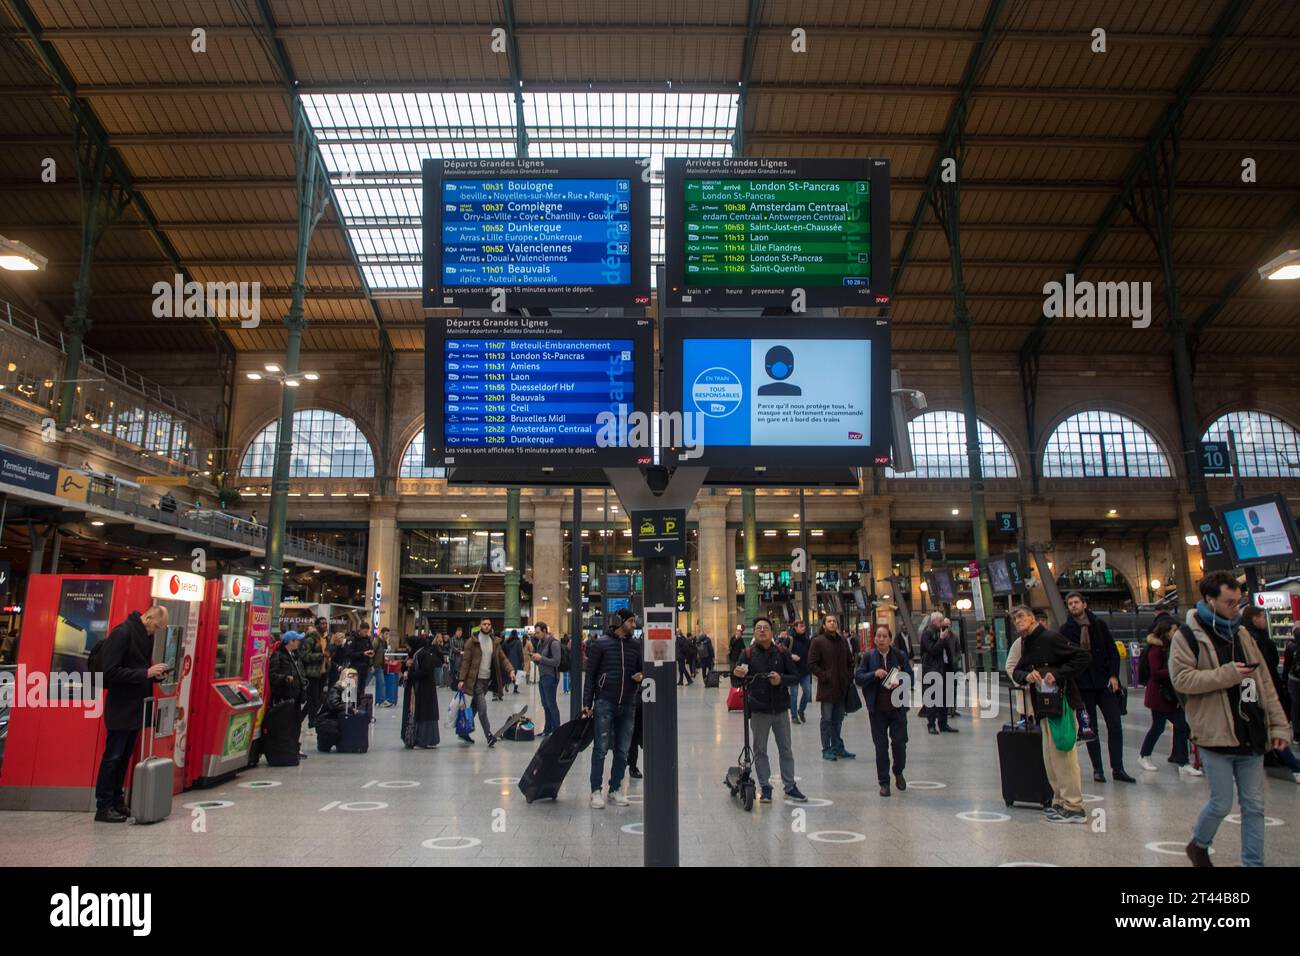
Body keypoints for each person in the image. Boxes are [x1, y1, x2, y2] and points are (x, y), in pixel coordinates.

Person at [1173, 571, 1291, 866]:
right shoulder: (1187, 636)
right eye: (1229, 602)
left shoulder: (1242, 634)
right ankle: (1199, 844)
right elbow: (1182, 680)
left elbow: (1265, 683)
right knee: (1221, 803)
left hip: (1250, 732)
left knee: (1254, 806)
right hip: (1215, 735)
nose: (1235, 608)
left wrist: (1278, 725)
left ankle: (1254, 864)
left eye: (1238, 602)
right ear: (1209, 600)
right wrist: (1227, 675)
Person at [1007, 604, 1091, 823]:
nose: (1019, 621)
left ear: (1033, 618)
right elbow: (1017, 670)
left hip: (1061, 703)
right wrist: (1027, 676)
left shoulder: (1050, 638)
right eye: (1015, 619)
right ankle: (1060, 800)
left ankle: (1074, 805)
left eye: (1022, 616)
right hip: (1042, 704)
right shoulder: (1027, 642)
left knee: (1063, 752)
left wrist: (1058, 674)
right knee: (1050, 755)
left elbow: (1082, 657)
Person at [94, 605, 171, 822]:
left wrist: (155, 675)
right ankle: (104, 805)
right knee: (113, 757)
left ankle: (117, 801)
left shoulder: (145, 636)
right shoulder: (123, 633)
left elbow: (140, 668)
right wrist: (145, 672)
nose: (155, 632)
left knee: (124, 757)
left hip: (137, 706)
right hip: (120, 706)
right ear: (148, 617)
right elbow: (110, 671)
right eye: (155, 627)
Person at [733, 617, 808, 803]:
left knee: (786, 749)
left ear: (771, 632)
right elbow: (737, 681)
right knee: (760, 750)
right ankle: (765, 787)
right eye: (758, 628)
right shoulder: (748, 654)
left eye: (765, 628)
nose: (762, 631)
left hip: (780, 709)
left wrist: (781, 679)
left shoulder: (782, 653)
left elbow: (795, 677)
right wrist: (737, 674)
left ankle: (790, 786)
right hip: (759, 709)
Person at [1060, 592, 1132, 783]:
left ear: (1084, 604)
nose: (1073, 606)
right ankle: (1097, 769)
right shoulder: (1065, 630)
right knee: (1089, 728)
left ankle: (1118, 767)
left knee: (1115, 725)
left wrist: (1114, 675)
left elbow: (1113, 652)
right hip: (1082, 687)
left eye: (1076, 602)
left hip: (1104, 684)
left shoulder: (1099, 625)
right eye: (1070, 603)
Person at [582, 607, 643, 808]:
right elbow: (590, 675)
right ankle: (595, 791)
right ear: (620, 622)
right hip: (605, 702)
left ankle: (615, 788)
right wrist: (586, 703)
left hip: (627, 702)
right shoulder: (601, 645)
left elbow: (641, 669)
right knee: (600, 748)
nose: (634, 626)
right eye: (631, 622)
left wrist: (640, 676)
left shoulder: (635, 646)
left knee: (622, 750)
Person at [1242, 607, 1300, 781]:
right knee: (1267, 724)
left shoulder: (1251, 636)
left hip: (1256, 688)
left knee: (1267, 725)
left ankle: (1276, 758)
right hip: (1257, 688)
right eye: (1260, 617)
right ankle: (1294, 765)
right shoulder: (1252, 638)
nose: (1263, 620)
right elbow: (1263, 666)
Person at [1137, 619, 1199, 776]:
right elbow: (1155, 672)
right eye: (1173, 630)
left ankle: (1183, 762)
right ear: (1165, 632)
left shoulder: (1172, 647)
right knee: (1158, 726)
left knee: (1181, 726)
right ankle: (1144, 755)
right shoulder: (1156, 649)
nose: (1176, 633)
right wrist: (1175, 670)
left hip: (1172, 694)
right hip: (1159, 695)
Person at [855, 623, 910, 796]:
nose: (880, 639)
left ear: (890, 639)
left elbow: (910, 677)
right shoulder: (868, 657)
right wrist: (873, 674)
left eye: (884, 636)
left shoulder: (900, 656)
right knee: (881, 747)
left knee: (900, 744)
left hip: (897, 709)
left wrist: (900, 681)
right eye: (878, 636)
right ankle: (884, 782)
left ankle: (898, 770)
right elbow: (858, 678)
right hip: (877, 710)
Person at [456, 617, 513, 746]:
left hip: (486, 680)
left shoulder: (495, 642)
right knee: (482, 708)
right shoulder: (472, 642)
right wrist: (461, 679)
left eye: (489, 624)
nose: (487, 626)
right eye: (484, 624)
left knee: (475, 707)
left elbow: (503, 659)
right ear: (480, 626)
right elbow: (466, 662)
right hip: (475, 681)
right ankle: (488, 735)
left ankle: (463, 731)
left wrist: (511, 670)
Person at [808, 613, 855, 761]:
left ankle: (837, 747)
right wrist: (825, 676)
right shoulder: (818, 642)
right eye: (829, 621)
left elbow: (850, 660)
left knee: (838, 719)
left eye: (834, 621)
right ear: (824, 625)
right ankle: (826, 749)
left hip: (841, 688)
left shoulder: (842, 641)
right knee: (827, 720)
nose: (833, 623)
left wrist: (848, 676)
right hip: (827, 688)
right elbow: (812, 664)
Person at [266, 630, 308, 763]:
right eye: (297, 640)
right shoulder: (278, 655)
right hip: (284, 697)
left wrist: (303, 681)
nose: (299, 642)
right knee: (287, 724)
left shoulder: (295, 655)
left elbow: (300, 671)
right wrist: (285, 678)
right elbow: (272, 675)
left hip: (296, 696)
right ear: (290, 642)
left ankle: (295, 747)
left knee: (296, 723)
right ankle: (286, 748)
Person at [400, 633, 440, 749]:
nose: (407, 647)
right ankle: (413, 737)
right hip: (417, 690)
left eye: (408, 645)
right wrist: (405, 666)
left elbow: (425, 671)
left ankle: (421, 738)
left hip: (423, 690)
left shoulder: (423, 655)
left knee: (421, 713)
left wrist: (410, 675)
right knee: (416, 712)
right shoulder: (414, 654)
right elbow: (406, 667)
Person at [920, 612, 955, 734]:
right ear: (934, 621)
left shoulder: (943, 633)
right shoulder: (928, 633)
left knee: (944, 698)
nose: (943, 624)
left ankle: (943, 724)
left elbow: (949, 651)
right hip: (932, 670)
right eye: (940, 621)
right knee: (933, 698)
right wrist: (941, 639)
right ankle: (931, 724)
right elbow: (932, 650)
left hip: (945, 668)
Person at [531, 621, 563, 736]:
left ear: (545, 631)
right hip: (543, 676)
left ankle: (557, 731)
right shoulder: (540, 643)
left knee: (551, 704)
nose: (536, 635)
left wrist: (541, 658)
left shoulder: (554, 643)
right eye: (536, 633)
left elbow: (556, 662)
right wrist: (535, 659)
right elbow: (541, 660)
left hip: (551, 677)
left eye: (538, 632)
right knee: (545, 704)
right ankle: (547, 729)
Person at [301, 619, 327, 728]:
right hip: (312, 673)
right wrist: (321, 656)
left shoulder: (325, 639)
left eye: (326, 623)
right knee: (313, 698)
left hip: (323, 672)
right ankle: (311, 721)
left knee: (319, 698)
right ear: (316, 626)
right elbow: (305, 656)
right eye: (322, 624)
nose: (325, 625)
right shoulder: (311, 639)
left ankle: (301, 717)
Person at [788, 618, 813, 724]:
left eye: (804, 626)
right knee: (794, 695)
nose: (803, 628)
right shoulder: (790, 639)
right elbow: (782, 651)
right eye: (801, 626)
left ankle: (801, 710)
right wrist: (791, 656)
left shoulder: (807, 640)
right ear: (795, 627)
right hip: (793, 671)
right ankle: (794, 716)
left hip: (805, 670)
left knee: (807, 692)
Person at [943, 617, 962, 718]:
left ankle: (953, 709)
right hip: (943, 666)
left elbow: (959, 651)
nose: (948, 626)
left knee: (953, 688)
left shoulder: (955, 636)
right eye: (946, 624)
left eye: (949, 624)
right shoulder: (941, 636)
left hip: (952, 666)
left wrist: (955, 659)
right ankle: (946, 710)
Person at [1286, 626, 1300, 742]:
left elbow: (1286, 665)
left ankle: (1297, 734)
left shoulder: (1291, 646)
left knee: (1295, 706)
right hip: (1295, 679)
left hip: (1294, 679)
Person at [372, 626, 391, 707]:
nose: (387, 636)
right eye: (386, 634)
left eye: (388, 634)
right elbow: (372, 653)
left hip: (379, 666)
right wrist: (371, 665)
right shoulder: (376, 641)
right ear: (382, 633)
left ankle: (381, 701)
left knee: (381, 683)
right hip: (375, 665)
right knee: (380, 683)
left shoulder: (383, 642)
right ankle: (381, 701)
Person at [502, 628, 524, 696]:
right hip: (517, 661)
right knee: (517, 676)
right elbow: (520, 652)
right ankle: (515, 689)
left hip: (509, 661)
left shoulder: (507, 641)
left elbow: (503, 650)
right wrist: (522, 661)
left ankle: (506, 684)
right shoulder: (518, 642)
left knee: (508, 674)